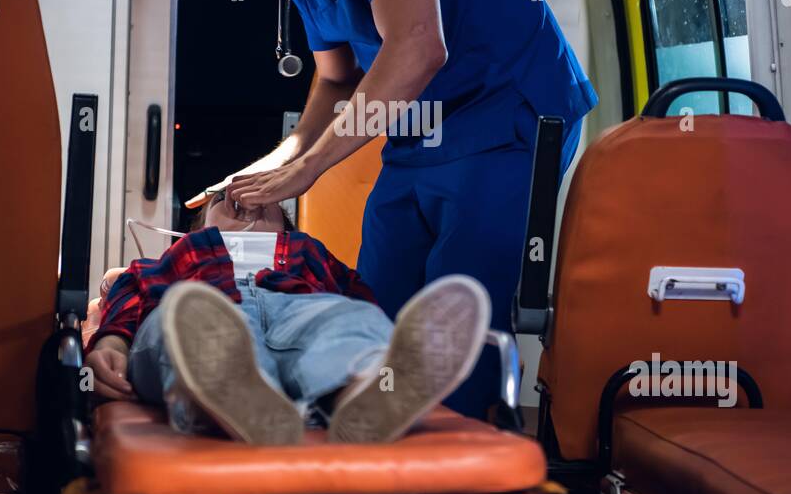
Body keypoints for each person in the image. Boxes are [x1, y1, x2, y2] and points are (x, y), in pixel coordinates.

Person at [151, 0, 597, 419]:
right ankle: (374, 467)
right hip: (419, 134)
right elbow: (335, 81)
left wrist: (310, 169)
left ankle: (455, 487)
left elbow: (417, 46)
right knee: (376, 307)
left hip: (508, 116)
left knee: (455, 317)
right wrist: (272, 165)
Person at [82, 190, 490, 445]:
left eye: (265, 201)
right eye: (229, 201)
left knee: (345, 322)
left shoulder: (308, 253)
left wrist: (381, 343)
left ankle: (367, 393)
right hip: (204, 306)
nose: (248, 203)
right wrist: (109, 344)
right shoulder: (168, 261)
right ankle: (227, 394)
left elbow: (360, 306)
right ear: (197, 227)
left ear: (286, 225)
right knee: (190, 325)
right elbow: (126, 307)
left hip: (300, 306)